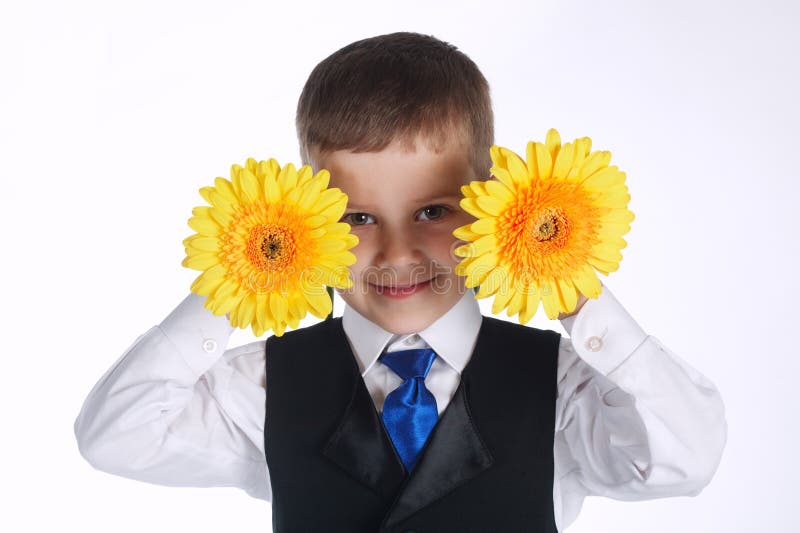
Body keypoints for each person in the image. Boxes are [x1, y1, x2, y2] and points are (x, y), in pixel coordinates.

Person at [74, 32, 727, 532]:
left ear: (492, 203)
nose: (396, 251)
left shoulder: (562, 384)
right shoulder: (267, 385)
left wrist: (570, 281)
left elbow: (683, 458)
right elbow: (116, 435)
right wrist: (243, 270)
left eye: (433, 211)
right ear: (307, 215)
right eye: (356, 218)